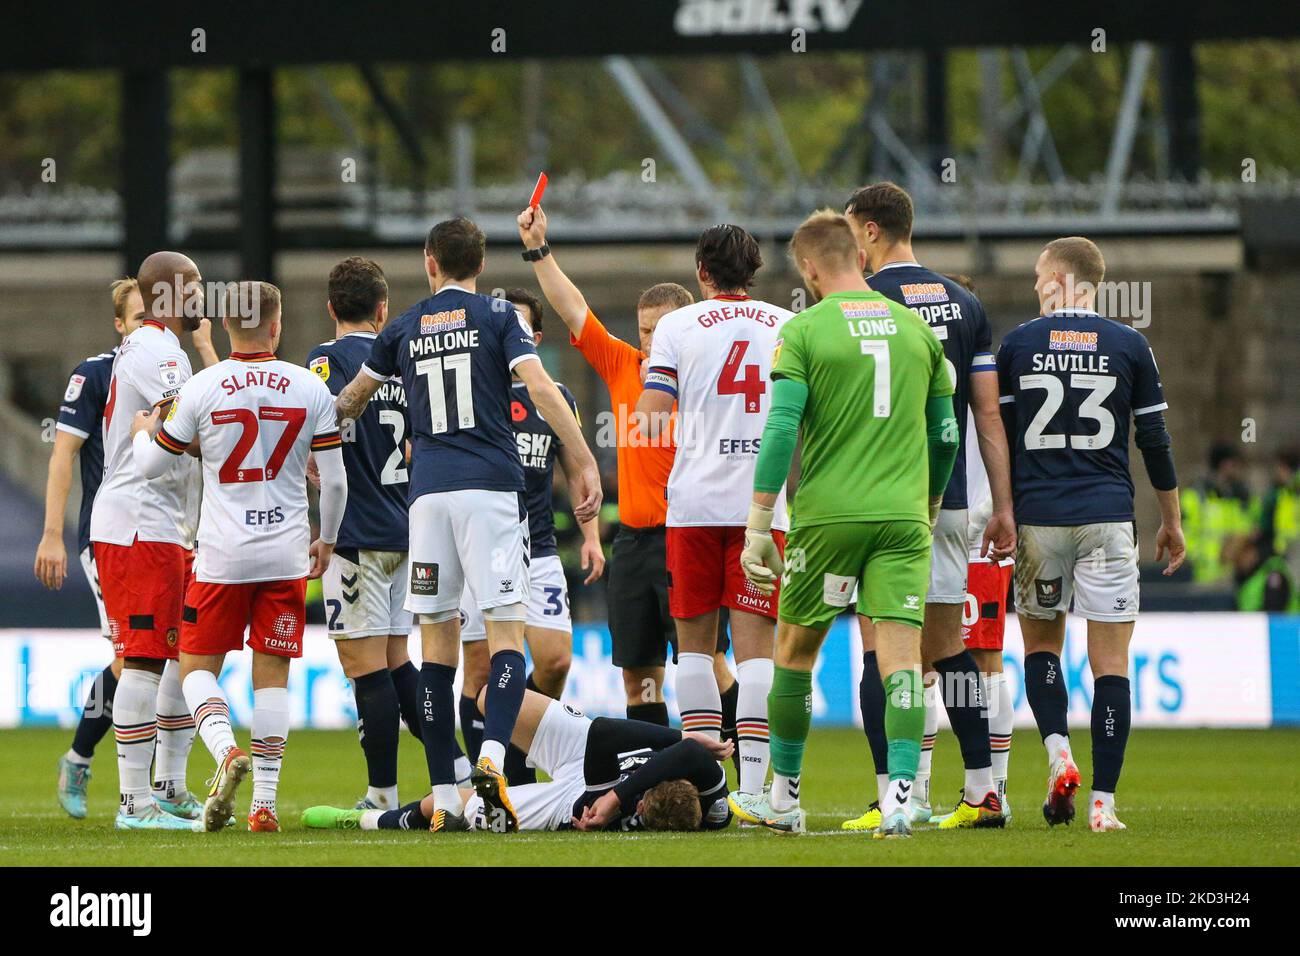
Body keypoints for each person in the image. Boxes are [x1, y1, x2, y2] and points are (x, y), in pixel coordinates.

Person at [333, 217, 601, 832]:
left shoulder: (401, 328)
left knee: (437, 647)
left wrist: (311, 446)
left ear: (430, 262)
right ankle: (491, 761)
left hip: (426, 501)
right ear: (480, 265)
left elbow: (350, 402)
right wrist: (582, 456)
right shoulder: (501, 318)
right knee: (507, 638)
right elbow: (539, 387)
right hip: (489, 492)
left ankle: (444, 794)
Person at [738, 210, 958, 838]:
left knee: (794, 654)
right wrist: (932, 503)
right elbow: (945, 434)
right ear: (861, 257)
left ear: (808, 269)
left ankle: (783, 798)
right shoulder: (919, 332)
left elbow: (781, 428)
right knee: (902, 662)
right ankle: (901, 797)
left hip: (829, 519)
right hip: (902, 519)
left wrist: (759, 522)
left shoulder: (804, 330)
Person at [135, 281, 347, 833]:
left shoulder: (202, 387)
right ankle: (266, 806)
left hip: (222, 556)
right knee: (272, 676)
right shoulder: (309, 387)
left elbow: (153, 467)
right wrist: (326, 538)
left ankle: (227, 753)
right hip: (285, 554)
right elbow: (336, 483)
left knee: (194, 673)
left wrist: (145, 431)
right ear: (276, 326)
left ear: (226, 326)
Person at [516, 204, 737, 732]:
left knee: (708, 665)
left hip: (688, 537)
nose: (649, 341)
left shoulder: (705, 375)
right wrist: (538, 250)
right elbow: (573, 310)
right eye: (643, 331)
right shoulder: (624, 366)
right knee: (638, 674)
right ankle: (661, 780)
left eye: (659, 331)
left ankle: (748, 769)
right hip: (633, 544)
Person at [841, 183, 1015, 831]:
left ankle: (895, 795)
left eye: (853, 233)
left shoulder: (865, 301)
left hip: (882, 497)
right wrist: (1003, 506)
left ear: (870, 233)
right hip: (953, 501)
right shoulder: (966, 304)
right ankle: (982, 790)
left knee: (877, 650)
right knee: (949, 646)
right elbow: (989, 416)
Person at [997, 236, 1185, 832]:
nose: (1033, 285)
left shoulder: (1018, 344)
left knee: (1042, 649)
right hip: (1108, 518)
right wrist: (1172, 520)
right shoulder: (1131, 345)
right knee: (1112, 665)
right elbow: (1154, 440)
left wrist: (1000, 509)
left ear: (1057, 276)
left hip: (1038, 519)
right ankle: (1103, 804)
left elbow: (997, 437)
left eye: (1036, 275)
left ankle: (1058, 752)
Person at [635, 224, 793, 805]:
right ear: (752, 272)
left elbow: (651, 417)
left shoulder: (676, 326)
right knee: (757, 654)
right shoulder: (785, 323)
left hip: (695, 506)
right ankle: (756, 791)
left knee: (696, 650)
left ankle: (709, 787)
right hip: (764, 509)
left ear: (702, 271)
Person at [306, 256, 457, 811]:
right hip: (405, 530)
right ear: (383, 309)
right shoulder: (404, 361)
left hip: (356, 535)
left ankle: (381, 795)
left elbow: (317, 431)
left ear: (330, 308)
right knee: (396, 662)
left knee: (364, 668)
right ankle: (457, 767)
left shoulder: (323, 361)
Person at [458, 288, 606, 786]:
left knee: (555, 660)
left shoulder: (555, 398)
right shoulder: (473, 389)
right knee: (479, 671)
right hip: (479, 547)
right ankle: (495, 776)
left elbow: (574, 469)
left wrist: (591, 535)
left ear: (535, 338)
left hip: (538, 547)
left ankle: (515, 744)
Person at [89, 252, 210, 830]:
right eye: (196, 288)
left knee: (179, 658)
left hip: (165, 525)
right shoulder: (154, 348)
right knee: (141, 660)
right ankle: (134, 803)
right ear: (171, 294)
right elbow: (182, 430)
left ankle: (166, 789)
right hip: (139, 522)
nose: (203, 298)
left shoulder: (167, 348)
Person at [301, 688, 733, 833]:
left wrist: (610, 803)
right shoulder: (712, 802)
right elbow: (605, 732)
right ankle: (507, 768)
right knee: (493, 699)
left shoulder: (598, 813)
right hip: (589, 748)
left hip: (573, 798)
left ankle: (366, 820)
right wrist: (679, 738)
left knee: (454, 808)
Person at [38, 278, 142, 818]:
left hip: (166, 537)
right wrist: (52, 533)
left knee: (159, 658)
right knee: (132, 659)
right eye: (137, 316)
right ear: (119, 325)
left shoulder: (170, 371)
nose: (146, 326)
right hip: (109, 537)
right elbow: (62, 454)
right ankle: (83, 760)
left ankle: (153, 787)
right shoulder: (95, 374)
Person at [1179, 442, 1252, 584]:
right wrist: (1205, 557)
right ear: (1225, 464)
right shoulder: (1196, 496)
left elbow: (1246, 527)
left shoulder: (1238, 495)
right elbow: (1185, 534)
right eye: (1235, 464)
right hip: (1206, 575)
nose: (1238, 470)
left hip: (1235, 576)